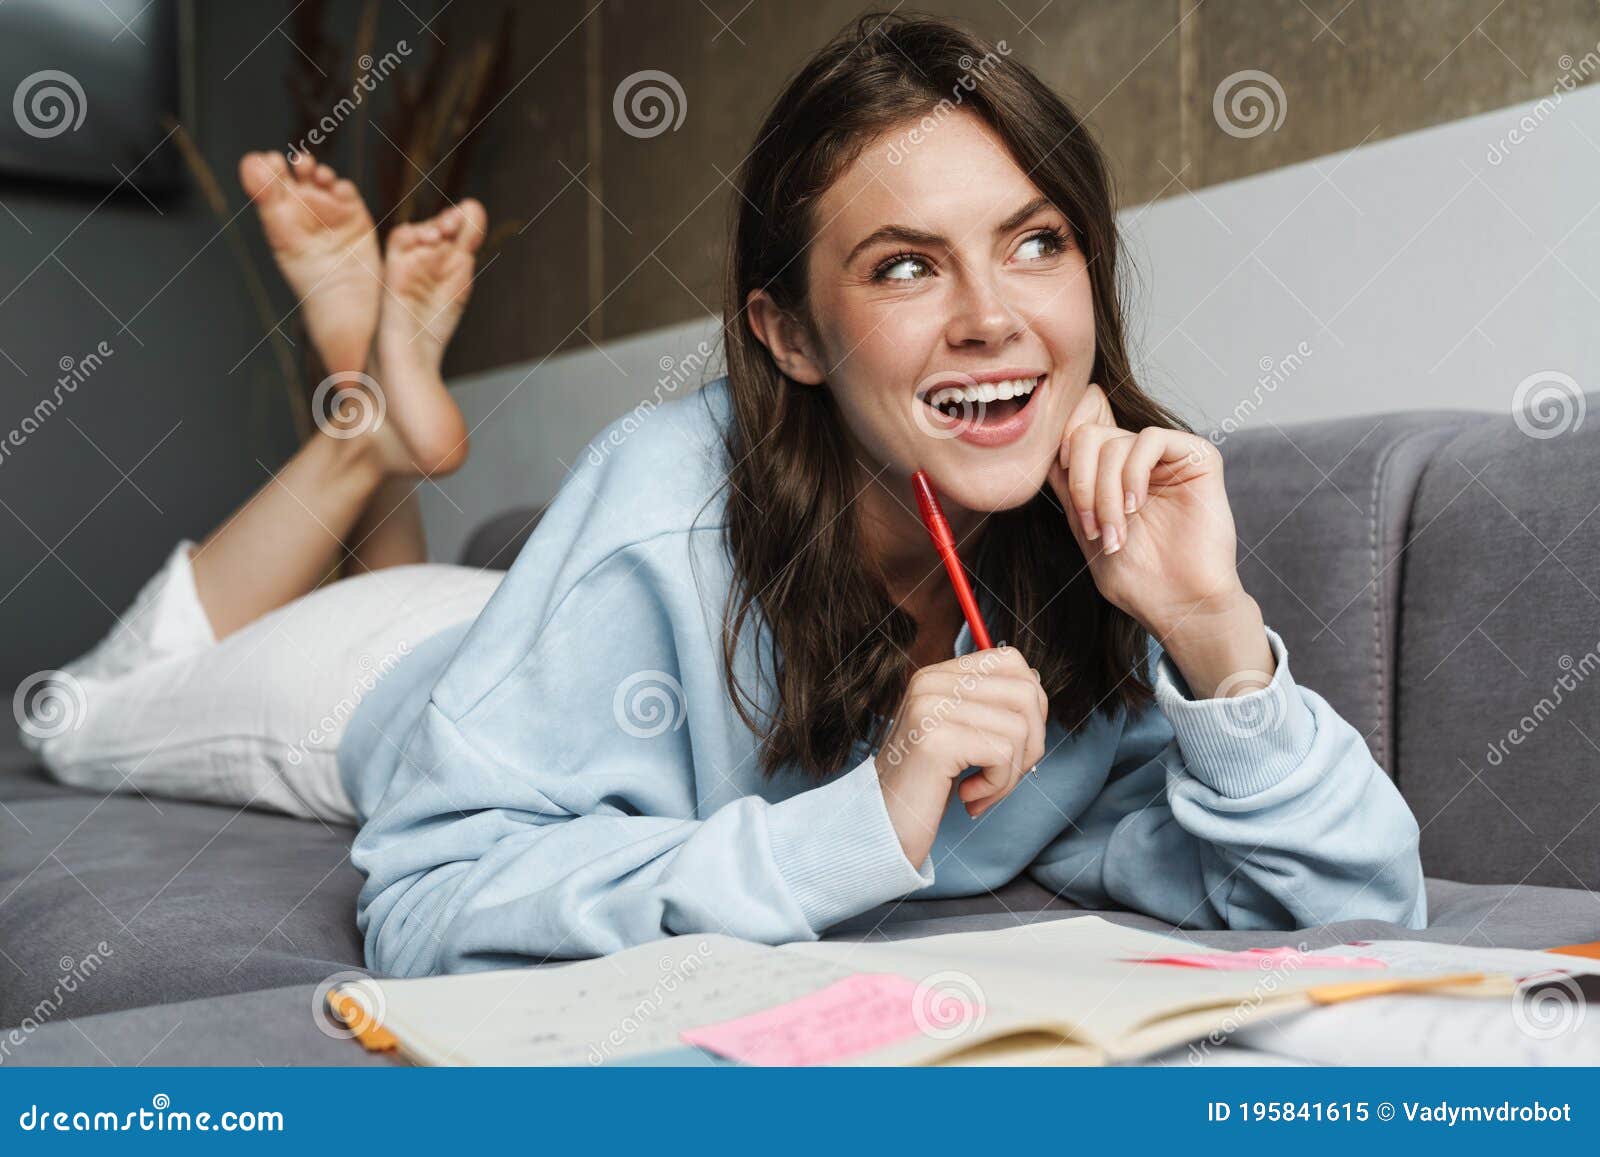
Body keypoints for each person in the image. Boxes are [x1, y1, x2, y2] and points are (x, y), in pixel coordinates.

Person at [20, 13, 1428, 980]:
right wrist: (861, 818)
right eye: (904, 265)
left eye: (1036, 242)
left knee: (453, 596)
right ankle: (365, 424)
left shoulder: (1101, 554)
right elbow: (425, 901)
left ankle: (378, 418)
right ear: (790, 334)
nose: (995, 316)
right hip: (369, 682)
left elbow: (1347, 914)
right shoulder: (657, 502)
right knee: (81, 707)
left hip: (514, 635)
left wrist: (1218, 642)